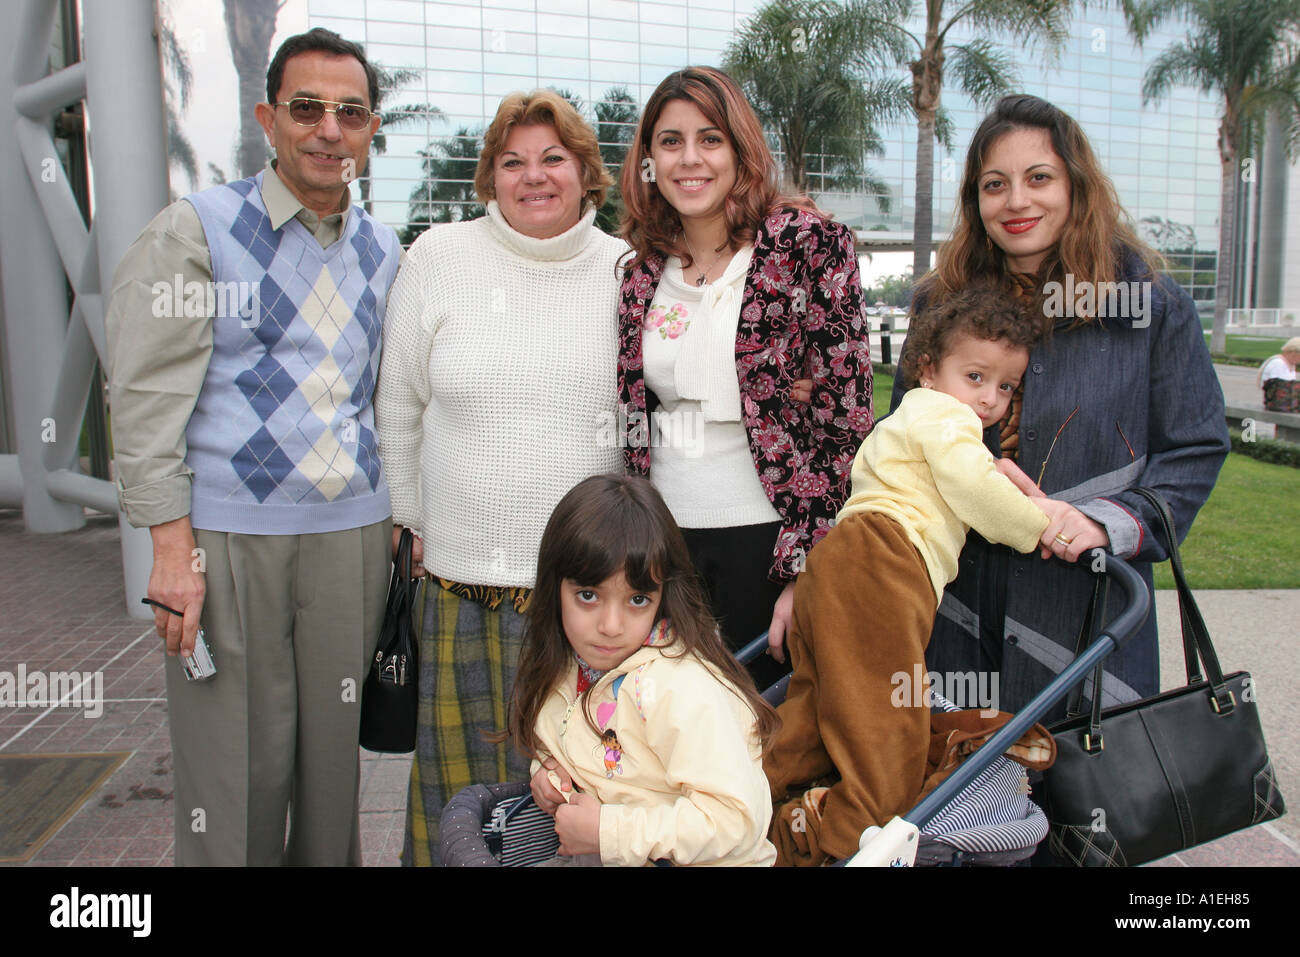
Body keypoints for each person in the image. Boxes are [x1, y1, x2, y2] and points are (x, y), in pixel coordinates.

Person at [105, 28, 402, 865]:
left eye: (349, 112)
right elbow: (143, 399)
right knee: (235, 770)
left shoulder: (385, 253)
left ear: (370, 130)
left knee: (329, 776)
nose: (328, 129)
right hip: (225, 543)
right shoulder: (197, 229)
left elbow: (383, 397)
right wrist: (169, 550)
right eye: (306, 108)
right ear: (269, 119)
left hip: (349, 538)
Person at [891, 94, 1229, 716]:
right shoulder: (939, 304)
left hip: (1087, 611)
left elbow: (1196, 448)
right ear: (976, 201)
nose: (1017, 201)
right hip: (955, 607)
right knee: (962, 797)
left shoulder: (1148, 304)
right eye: (995, 185)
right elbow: (901, 434)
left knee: (1086, 796)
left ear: (1076, 184)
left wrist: (1108, 521)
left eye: (1038, 178)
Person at [375, 90, 626, 864]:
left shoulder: (627, 272)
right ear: (488, 179)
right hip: (458, 596)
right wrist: (409, 519)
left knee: (575, 815)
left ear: (587, 172)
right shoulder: (438, 257)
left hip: (586, 607)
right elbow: (399, 404)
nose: (534, 175)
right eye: (512, 161)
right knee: (460, 815)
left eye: (554, 157)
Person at [765, 285, 1070, 865]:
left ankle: (743, 797)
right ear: (928, 371)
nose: (988, 399)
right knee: (887, 717)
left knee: (817, 702)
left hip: (839, 561)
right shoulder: (945, 418)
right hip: (883, 562)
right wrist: (1039, 527)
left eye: (1005, 387)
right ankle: (848, 837)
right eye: (975, 376)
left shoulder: (907, 419)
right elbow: (974, 487)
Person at [615, 67, 873, 687]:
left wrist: (805, 566)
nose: (689, 159)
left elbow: (848, 419)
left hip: (767, 536)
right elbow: (634, 415)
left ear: (740, 149)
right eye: (669, 141)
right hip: (665, 542)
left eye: (710, 139)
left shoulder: (806, 244)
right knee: (676, 738)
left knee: (768, 740)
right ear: (648, 158)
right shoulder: (641, 269)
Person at [510, 474, 779, 866]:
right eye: (588, 596)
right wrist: (549, 774)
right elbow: (569, 744)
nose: (611, 625)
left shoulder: (680, 689)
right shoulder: (566, 669)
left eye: (637, 599)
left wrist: (606, 830)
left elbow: (734, 821)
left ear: (663, 596)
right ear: (555, 590)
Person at [1258, 337, 1300, 413]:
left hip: (1288, 405)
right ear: (1293, 352)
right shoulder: (1278, 363)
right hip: (1278, 404)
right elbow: (1278, 388)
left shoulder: (1291, 365)